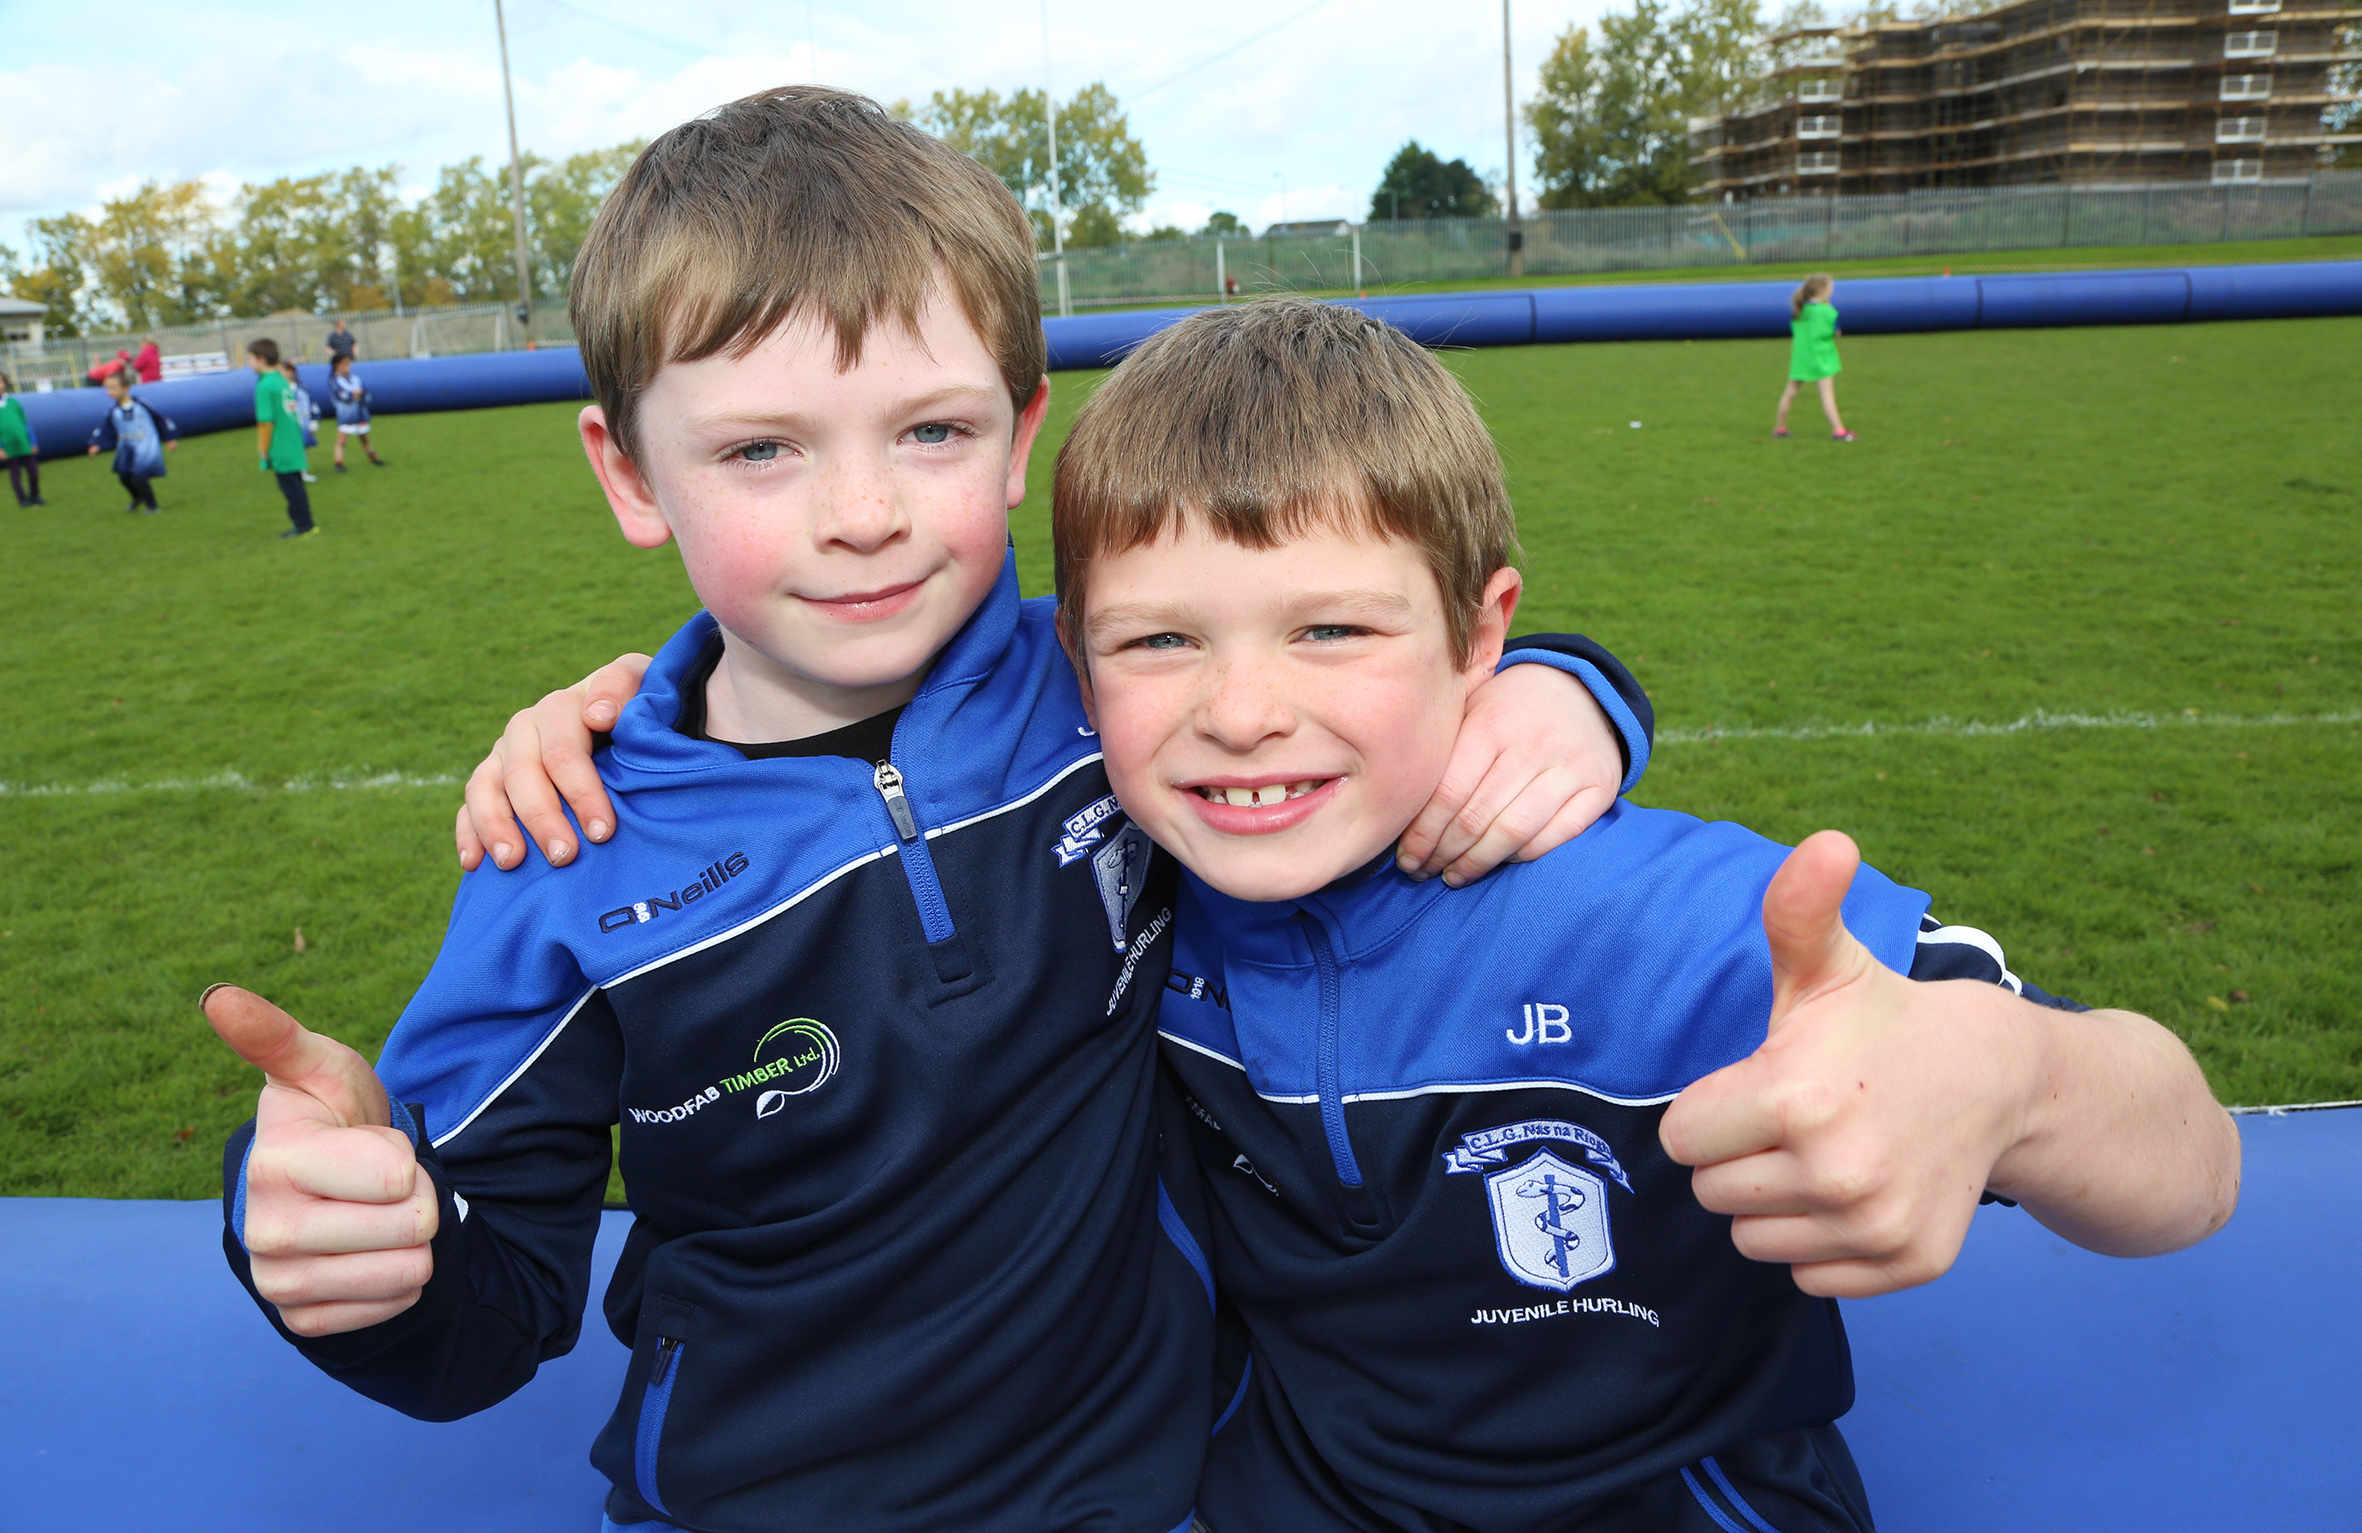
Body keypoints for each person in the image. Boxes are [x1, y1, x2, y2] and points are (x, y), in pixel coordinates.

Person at [201, 87, 1644, 1533]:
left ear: (1020, 435)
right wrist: (366, 1252)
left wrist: (1562, 689)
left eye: (931, 431)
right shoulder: (561, 855)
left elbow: (1353, 665)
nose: (863, 513)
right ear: (630, 474)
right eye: (760, 450)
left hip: (1157, 1485)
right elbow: (485, 1325)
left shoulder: (1117, 693)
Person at [1051, 300, 2234, 1532]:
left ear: (1480, 634)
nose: (1241, 712)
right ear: (1077, 662)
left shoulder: (1668, 929)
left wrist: (2011, 1075)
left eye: (1332, 629)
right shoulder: (1086, 897)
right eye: (1160, 639)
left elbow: (2193, 1171)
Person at [246, 339, 315, 537]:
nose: (249, 364)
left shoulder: (265, 386)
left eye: (250, 359)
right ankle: (306, 523)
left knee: (291, 489)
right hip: (293, 442)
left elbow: (265, 422)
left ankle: (303, 526)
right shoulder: (280, 380)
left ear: (261, 359)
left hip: (280, 446)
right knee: (297, 486)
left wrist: (263, 447)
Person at [85, 369, 178, 513]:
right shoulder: (113, 411)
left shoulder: (141, 404)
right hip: (127, 447)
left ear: (126, 388)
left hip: (146, 446)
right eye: (107, 388)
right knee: (124, 477)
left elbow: (159, 419)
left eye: (114, 387)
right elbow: (105, 428)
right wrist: (96, 443)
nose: (110, 391)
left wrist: (169, 438)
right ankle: (137, 498)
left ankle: (152, 507)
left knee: (140, 477)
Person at [1776, 272, 1853, 442]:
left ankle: (1780, 428)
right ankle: (1839, 431)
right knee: (1827, 394)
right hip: (1821, 359)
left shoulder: (1799, 310)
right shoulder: (1827, 311)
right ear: (1822, 290)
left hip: (1800, 359)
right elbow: (1836, 332)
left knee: (1790, 392)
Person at [327, 354, 383, 470]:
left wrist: (359, 396)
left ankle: (373, 458)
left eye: (349, 363)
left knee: (364, 437)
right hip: (346, 413)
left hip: (360, 412)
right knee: (342, 440)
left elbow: (365, 392)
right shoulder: (334, 380)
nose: (348, 366)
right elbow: (341, 395)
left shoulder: (355, 378)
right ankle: (338, 463)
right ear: (337, 365)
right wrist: (354, 395)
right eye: (345, 364)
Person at [0, 370, 43, 507]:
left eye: (1, 381)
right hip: (8, 447)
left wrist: (33, 442)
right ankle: (22, 499)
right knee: (16, 474)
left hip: (23, 444)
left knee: (33, 471)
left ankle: (35, 496)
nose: (0, 385)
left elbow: (25, 423)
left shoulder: (13, 402)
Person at [279, 360, 322, 482]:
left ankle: (302, 472)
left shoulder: (302, 388)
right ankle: (292, 472)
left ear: (290, 372)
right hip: (288, 424)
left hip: (303, 422)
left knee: (303, 448)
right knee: (290, 449)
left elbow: (312, 405)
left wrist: (314, 422)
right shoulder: (281, 390)